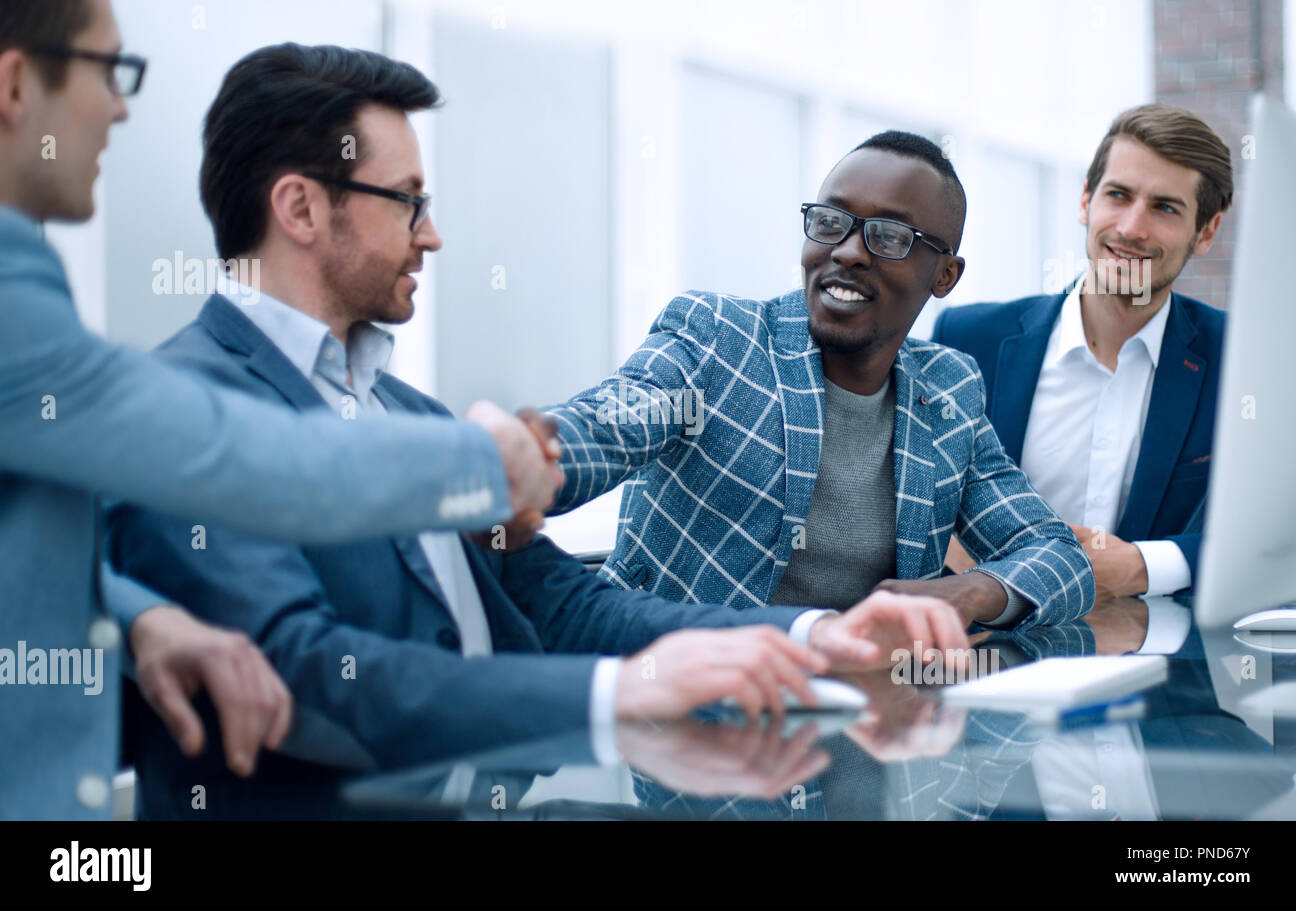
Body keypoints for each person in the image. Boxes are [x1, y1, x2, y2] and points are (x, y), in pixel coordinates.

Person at [106, 42, 951, 819]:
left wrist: (811, 635)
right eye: (407, 202)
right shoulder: (181, 414)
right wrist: (620, 696)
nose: (431, 234)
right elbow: (312, 680)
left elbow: (564, 603)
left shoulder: (405, 414)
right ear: (299, 208)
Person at [0, 0, 560, 819]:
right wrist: (484, 463)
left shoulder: (407, 406)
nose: (122, 107)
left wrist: (136, 615)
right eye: (108, 70)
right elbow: (251, 460)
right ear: (16, 83)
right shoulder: (33, 303)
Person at [546, 131, 1094, 633]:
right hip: (674, 701)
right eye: (831, 221)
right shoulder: (719, 338)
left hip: (865, 712)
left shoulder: (948, 390)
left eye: (889, 236)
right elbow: (601, 427)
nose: (848, 251)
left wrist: (973, 591)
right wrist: (517, 455)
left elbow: (1058, 555)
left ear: (945, 275)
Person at [933, 104, 1230, 599]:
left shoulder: (1241, 361)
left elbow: (1278, 530)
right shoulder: (968, 338)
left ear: (1206, 232)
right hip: (988, 655)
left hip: (1161, 664)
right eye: (1118, 195)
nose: (1132, 227)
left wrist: (1144, 566)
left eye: (1165, 208)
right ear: (1086, 200)